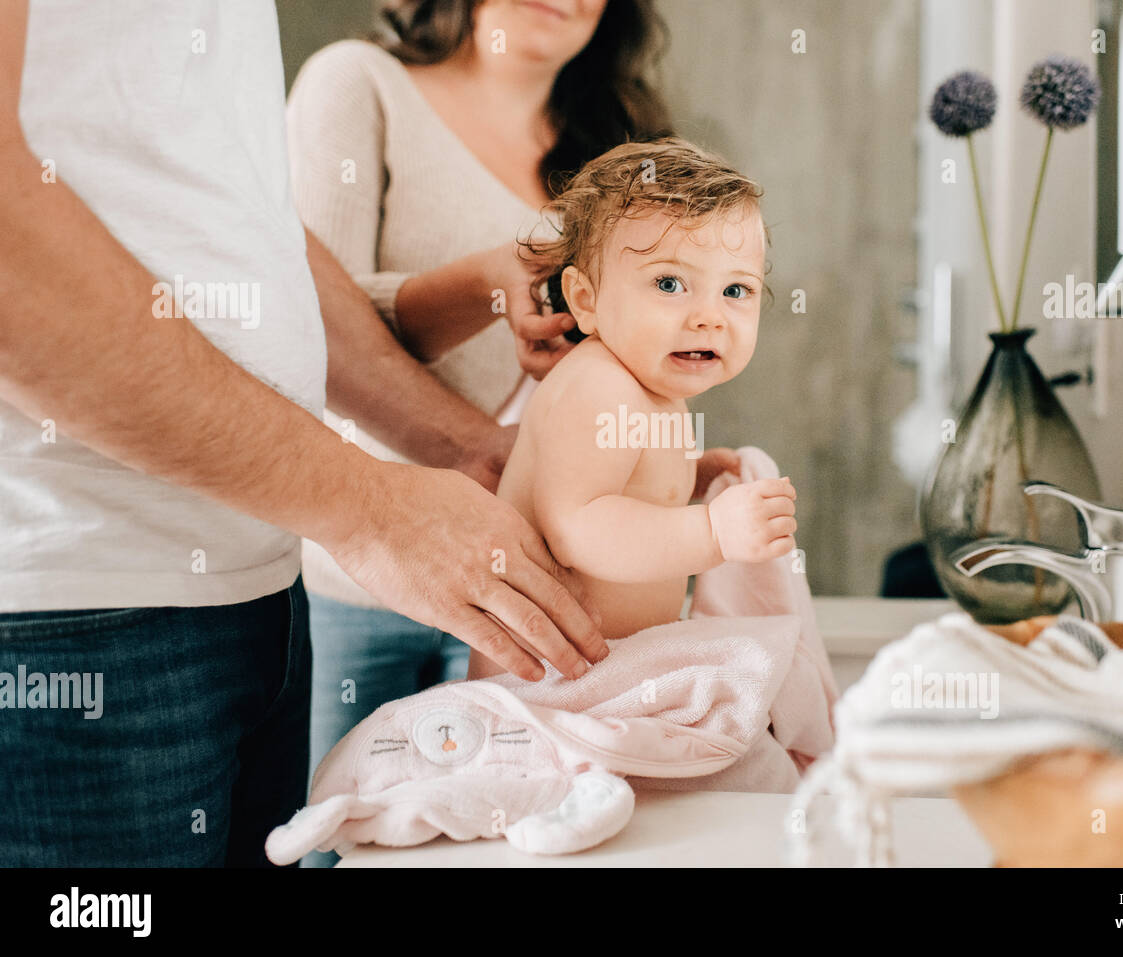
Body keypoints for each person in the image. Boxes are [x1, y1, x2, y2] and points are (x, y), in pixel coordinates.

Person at [0, 0, 605, 867]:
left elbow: (255, 240)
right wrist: (366, 506)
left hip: (253, 596)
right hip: (69, 616)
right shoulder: (362, 86)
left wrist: (467, 447)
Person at [283, 0, 673, 812]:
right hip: (363, 590)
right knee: (338, 836)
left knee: (530, 832)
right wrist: (484, 286)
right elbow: (312, 320)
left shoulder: (622, 147)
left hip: (552, 597)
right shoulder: (360, 85)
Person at [463, 137, 796, 679]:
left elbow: (624, 492)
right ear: (586, 300)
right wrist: (712, 532)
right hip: (546, 692)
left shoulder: (652, 389)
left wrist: (689, 478)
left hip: (601, 684)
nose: (710, 317)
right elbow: (578, 525)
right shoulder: (601, 387)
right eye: (670, 283)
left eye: (736, 291)